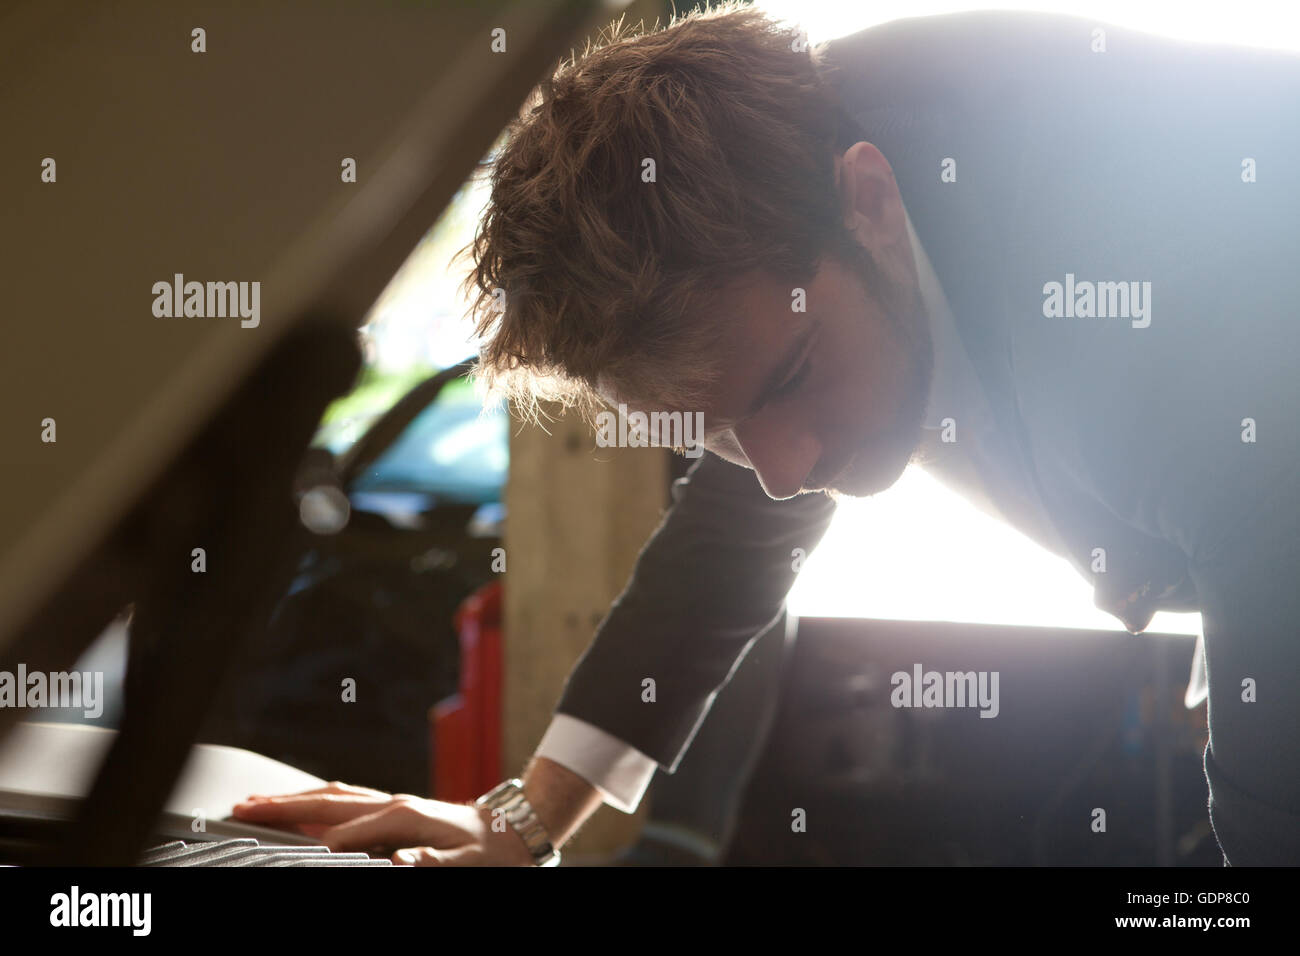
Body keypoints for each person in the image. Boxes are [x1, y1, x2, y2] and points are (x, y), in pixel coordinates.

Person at [234, 4, 1300, 865]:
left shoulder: (1138, 279)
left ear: (870, 199)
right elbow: (736, 517)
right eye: (718, 428)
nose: (786, 472)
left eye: (792, 378)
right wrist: (522, 816)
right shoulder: (789, 184)